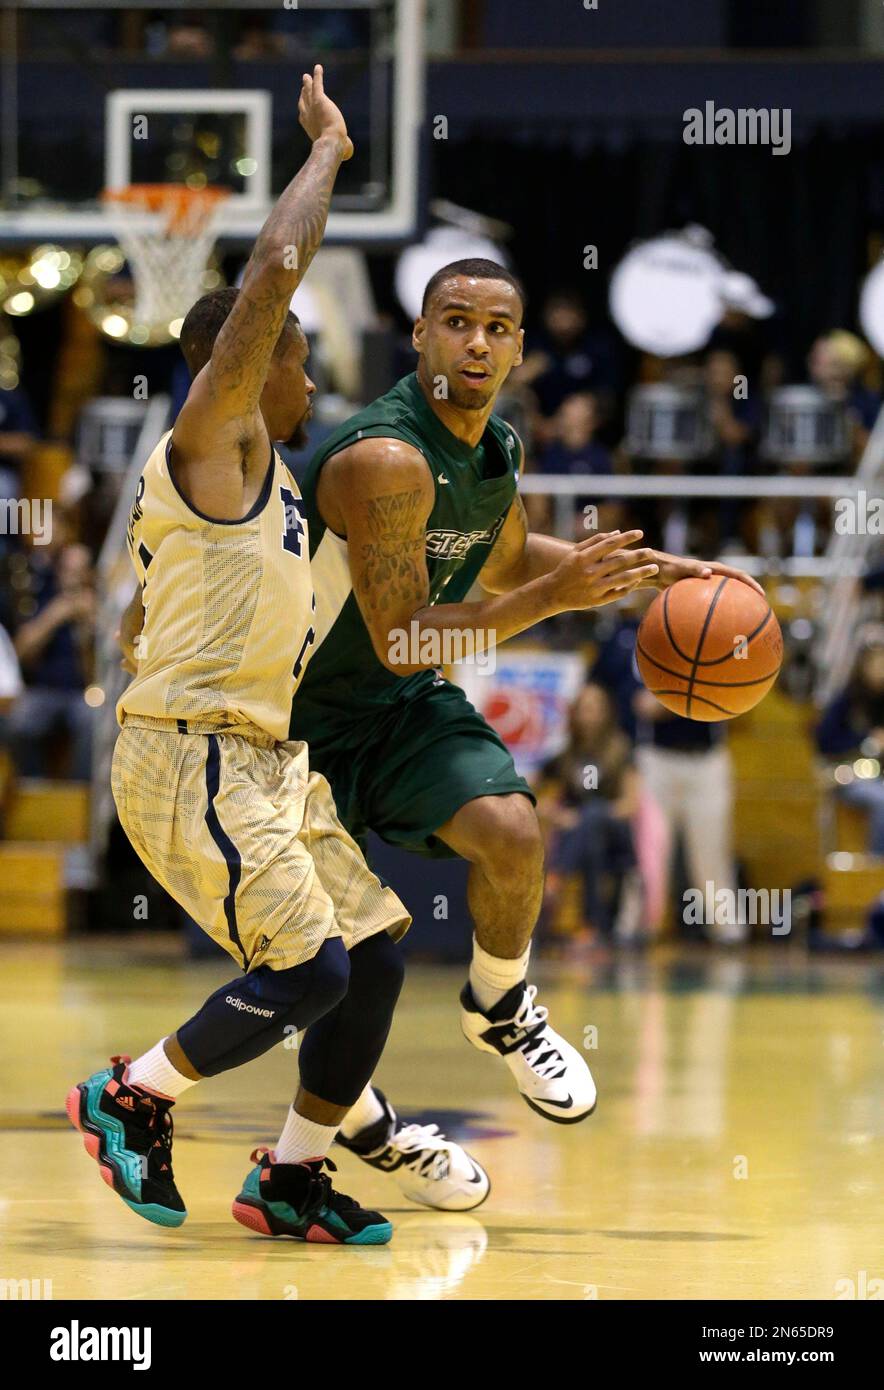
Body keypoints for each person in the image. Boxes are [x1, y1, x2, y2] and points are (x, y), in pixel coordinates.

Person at [67, 68, 438, 1247]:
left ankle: (288, 1174)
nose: (312, 376)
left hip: (265, 762)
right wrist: (325, 152)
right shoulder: (213, 434)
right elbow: (270, 279)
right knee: (311, 968)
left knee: (374, 952)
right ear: (246, 359)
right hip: (195, 757)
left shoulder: (264, 480)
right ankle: (131, 1095)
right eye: (294, 357)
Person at [283, 256, 763, 1154]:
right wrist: (560, 598)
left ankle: (499, 1002)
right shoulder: (383, 456)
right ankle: (353, 1138)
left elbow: (502, 567)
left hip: (396, 708)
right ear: (419, 335)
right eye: (456, 321)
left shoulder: (495, 446)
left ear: (519, 350)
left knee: (512, 832)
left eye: (497, 327)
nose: (477, 341)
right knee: (327, 968)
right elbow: (405, 636)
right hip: (292, 725)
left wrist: (643, 572)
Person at [538, 683, 641, 941]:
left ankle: (557, 875)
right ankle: (591, 927)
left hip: (617, 831)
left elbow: (630, 804)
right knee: (591, 842)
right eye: (584, 709)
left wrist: (588, 817)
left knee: (593, 813)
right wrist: (557, 815)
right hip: (582, 837)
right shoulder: (566, 755)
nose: (589, 715)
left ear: (606, 712)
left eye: (595, 708)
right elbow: (529, 791)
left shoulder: (621, 748)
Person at [9, 542, 96, 779]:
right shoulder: (43, 598)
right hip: (44, 690)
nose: (73, 579)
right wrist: (56, 615)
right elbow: (22, 651)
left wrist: (89, 626)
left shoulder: (98, 606)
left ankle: (78, 793)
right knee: (18, 721)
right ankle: (34, 783)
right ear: (59, 572)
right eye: (68, 571)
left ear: (89, 574)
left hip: (83, 694)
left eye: (80, 572)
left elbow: (95, 672)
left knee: (94, 722)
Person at [817, 629, 884, 854]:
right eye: (876, 661)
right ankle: (876, 869)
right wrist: (867, 740)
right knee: (882, 800)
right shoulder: (848, 698)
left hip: (880, 775)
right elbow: (825, 741)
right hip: (851, 776)